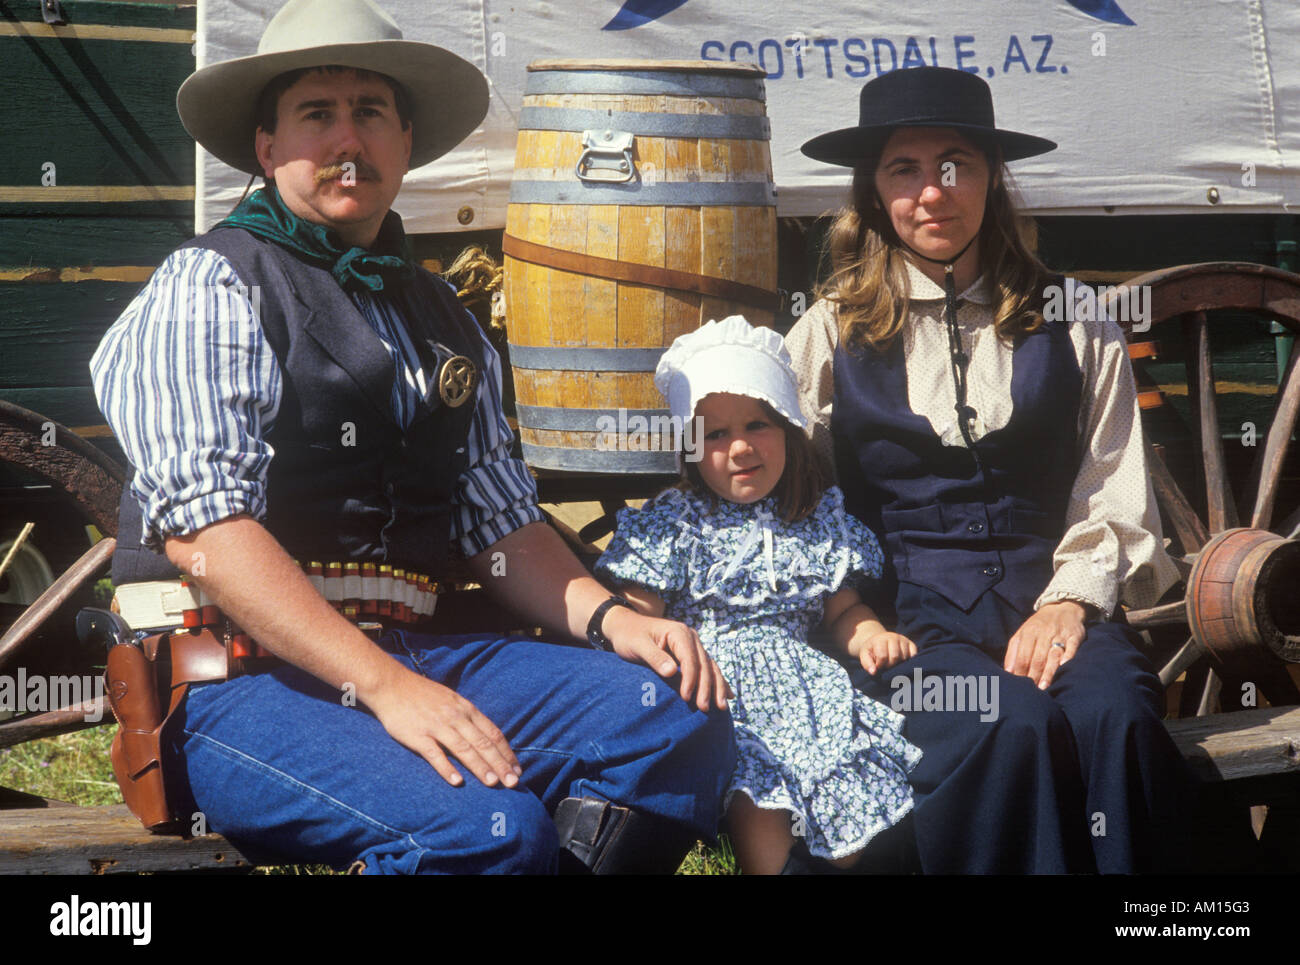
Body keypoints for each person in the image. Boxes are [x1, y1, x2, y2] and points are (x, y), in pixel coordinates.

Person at [89, 0, 734, 874]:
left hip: (422, 653)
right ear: (268, 148)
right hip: (241, 686)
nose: (347, 138)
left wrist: (608, 615)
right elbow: (209, 535)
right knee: (491, 831)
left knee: (674, 724)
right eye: (317, 114)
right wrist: (387, 689)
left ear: (405, 141)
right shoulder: (209, 286)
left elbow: (501, 525)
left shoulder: (441, 315)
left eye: (371, 112)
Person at [786, 66, 1218, 873]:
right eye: (903, 170)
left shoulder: (1076, 318)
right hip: (907, 634)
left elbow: (1114, 491)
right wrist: (850, 615)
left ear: (992, 178)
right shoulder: (826, 334)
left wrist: (1069, 604)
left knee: (1117, 718)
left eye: (956, 164)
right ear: (873, 193)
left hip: (1054, 600)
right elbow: (791, 508)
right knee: (1007, 721)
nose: (933, 193)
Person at [594, 316, 923, 874]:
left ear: (790, 428)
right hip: (714, 689)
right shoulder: (675, 522)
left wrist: (867, 633)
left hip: (804, 690)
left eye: (757, 424)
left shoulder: (814, 516)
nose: (740, 446)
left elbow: (841, 606)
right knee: (759, 798)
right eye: (716, 434)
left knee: (845, 796)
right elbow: (639, 617)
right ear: (692, 448)